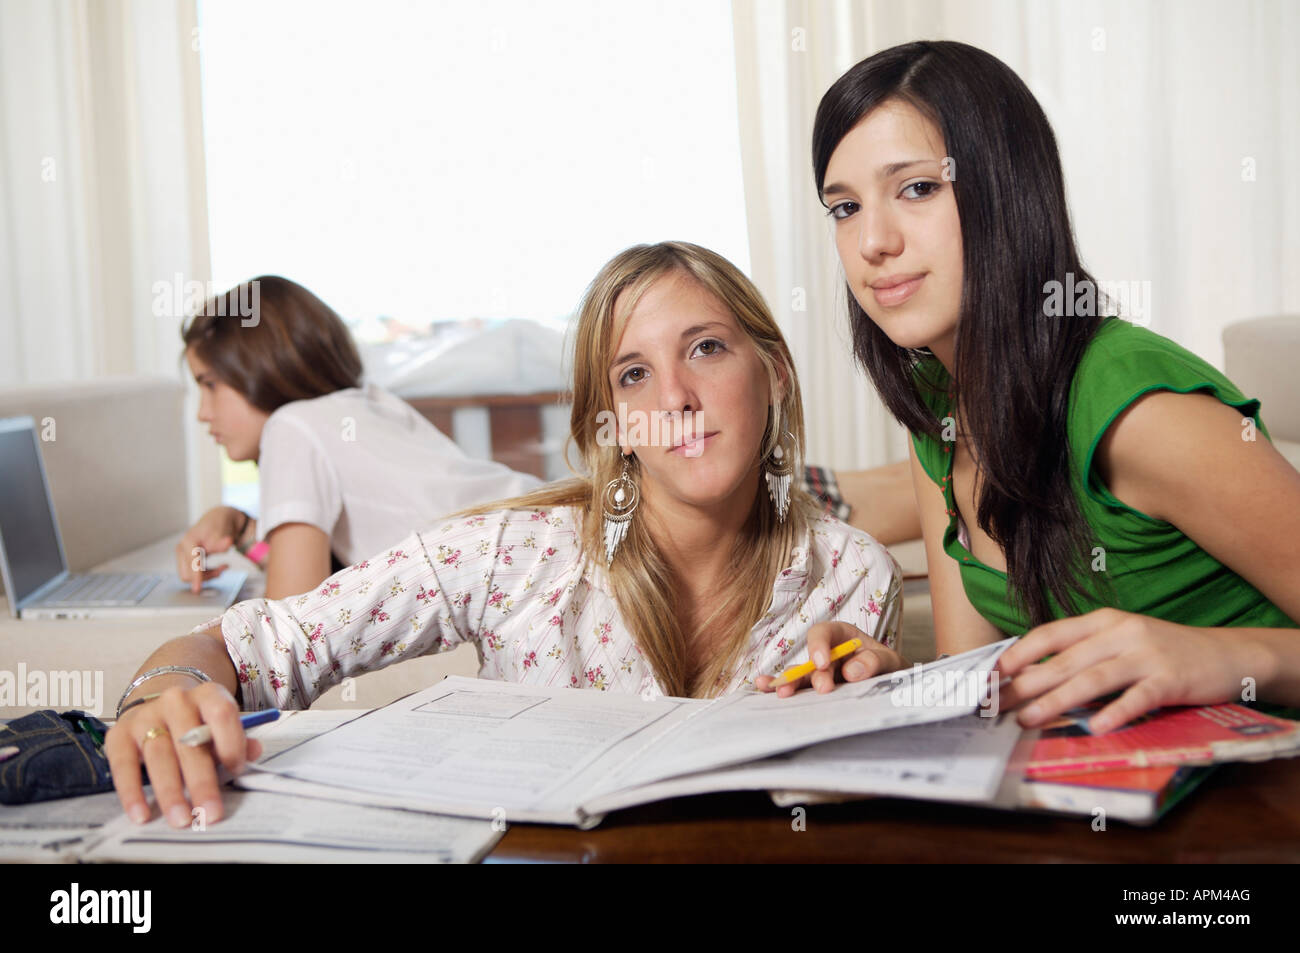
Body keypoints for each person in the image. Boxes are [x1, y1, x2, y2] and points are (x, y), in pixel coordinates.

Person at [105, 242, 905, 827]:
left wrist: (881, 712)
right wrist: (162, 692)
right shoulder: (511, 554)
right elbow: (255, 644)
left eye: (705, 347)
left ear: (776, 372)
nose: (675, 397)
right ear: (614, 421)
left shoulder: (854, 576)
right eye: (634, 373)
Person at [811, 40, 1300, 735]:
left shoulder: (1136, 409)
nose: (871, 242)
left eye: (917, 188)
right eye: (844, 207)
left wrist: (1225, 654)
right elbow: (976, 673)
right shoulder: (937, 411)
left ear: (1008, 190)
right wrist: (892, 681)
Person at [177, 275, 540, 600]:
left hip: (544, 570)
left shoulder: (292, 427)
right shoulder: (368, 405)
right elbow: (322, 582)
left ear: (263, 365)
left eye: (210, 385)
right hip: (552, 533)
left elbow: (292, 627)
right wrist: (242, 528)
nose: (203, 413)